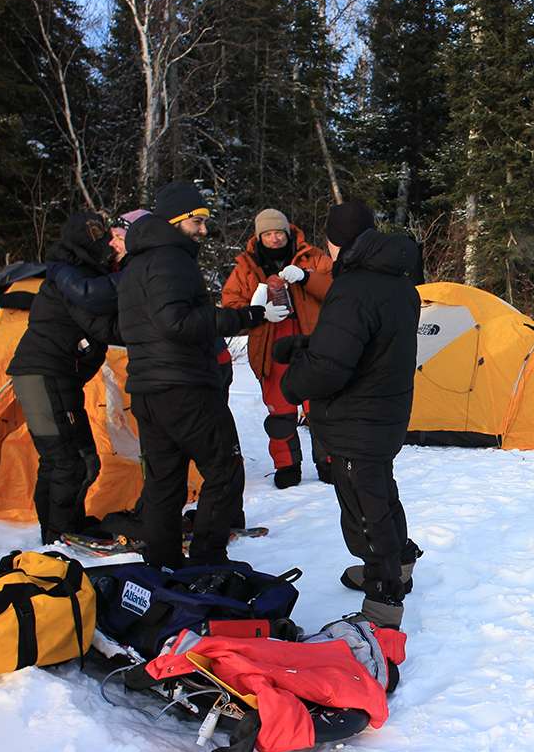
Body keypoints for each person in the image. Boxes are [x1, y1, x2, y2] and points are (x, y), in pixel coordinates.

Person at [117, 182, 289, 567]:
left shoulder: (136, 264)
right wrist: (248, 316)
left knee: (164, 481)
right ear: (176, 220)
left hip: (148, 388)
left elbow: (131, 325)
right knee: (225, 472)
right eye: (197, 221)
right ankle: (207, 560)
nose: (204, 230)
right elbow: (176, 321)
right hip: (184, 386)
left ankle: (162, 564)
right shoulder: (171, 259)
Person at [278, 201, 422, 629]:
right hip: (384, 412)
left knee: (364, 508)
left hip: (356, 419)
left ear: (333, 241)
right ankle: (401, 562)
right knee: (380, 490)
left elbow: (330, 367)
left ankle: (383, 597)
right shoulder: (399, 283)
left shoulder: (354, 287)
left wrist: (293, 383)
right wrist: (306, 345)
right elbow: (367, 344)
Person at [6, 213, 121, 543]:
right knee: (69, 462)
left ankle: (63, 526)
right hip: (43, 376)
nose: (110, 245)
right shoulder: (73, 278)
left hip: (52, 377)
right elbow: (97, 305)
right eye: (103, 240)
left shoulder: (81, 273)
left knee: (73, 460)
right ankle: (60, 535)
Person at [221, 208, 333, 488]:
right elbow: (231, 305)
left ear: (288, 232)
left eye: (278, 233)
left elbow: (336, 290)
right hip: (271, 343)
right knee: (280, 409)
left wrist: (306, 278)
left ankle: (329, 461)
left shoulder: (314, 258)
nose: (274, 239)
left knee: (320, 404)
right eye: (268, 234)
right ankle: (287, 465)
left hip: (312, 340)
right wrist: (257, 312)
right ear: (259, 236)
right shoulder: (245, 266)